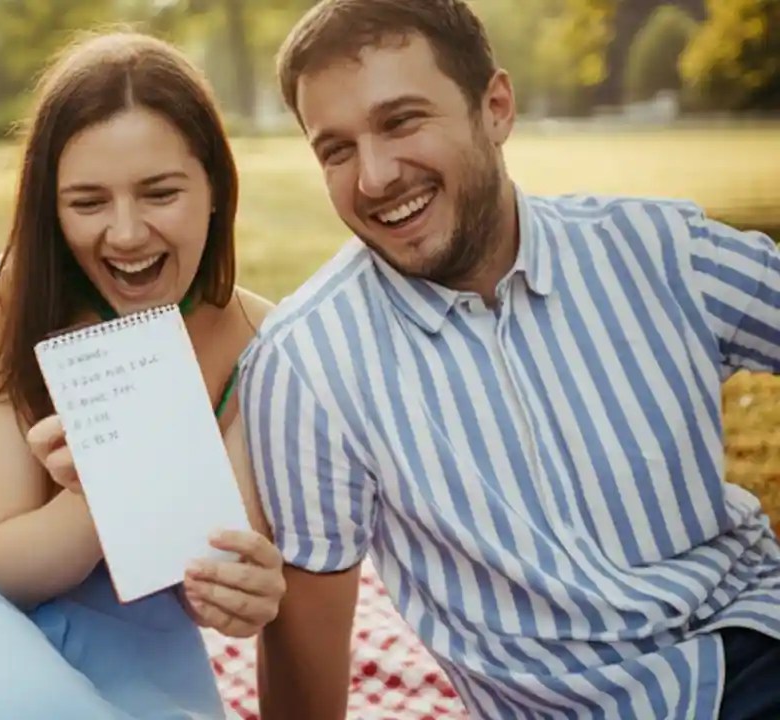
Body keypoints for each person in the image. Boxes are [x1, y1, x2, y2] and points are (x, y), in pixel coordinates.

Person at [239, 1, 780, 718]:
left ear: (494, 108)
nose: (373, 177)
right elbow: (306, 663)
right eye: (335, 149)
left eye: (401, 121)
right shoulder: (311, 361)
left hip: (757, 636)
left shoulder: (657, 249)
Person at [0, 32, 284, 719]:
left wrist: (245, 596)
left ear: (217, 188)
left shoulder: (263, 344)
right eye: (87, 202)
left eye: (160, 193)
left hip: (140, 635)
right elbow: (12, 571)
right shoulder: (3, 300)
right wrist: (102, 488)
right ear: (50, 204)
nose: (126, 233)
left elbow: (209, 581)